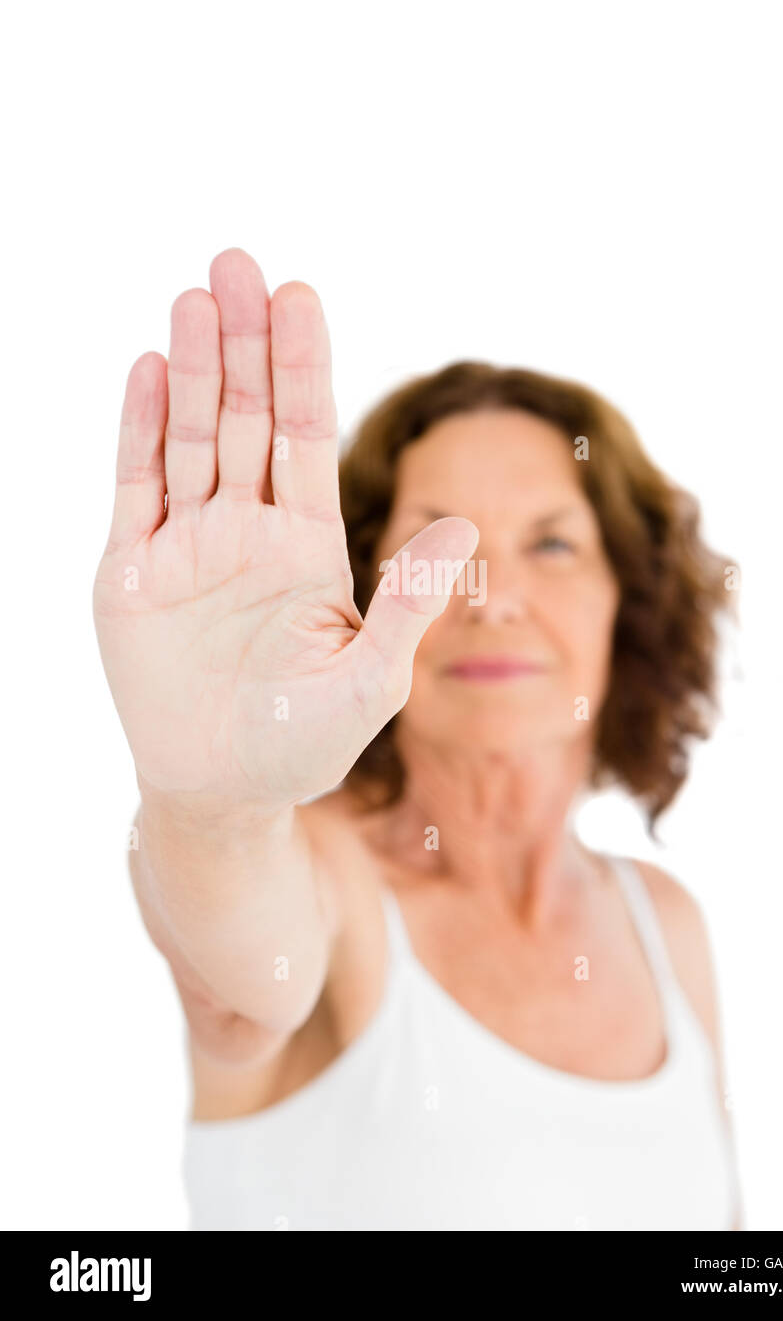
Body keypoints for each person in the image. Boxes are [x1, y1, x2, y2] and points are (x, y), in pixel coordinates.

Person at [93, 247, 743, 1231]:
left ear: (629, 601)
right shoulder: (324, 875)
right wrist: (212, 797)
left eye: (553, 542)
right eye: (437, 544)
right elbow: (236, 983)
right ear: (354, 590)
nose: (491, 599)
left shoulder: (662, 925)